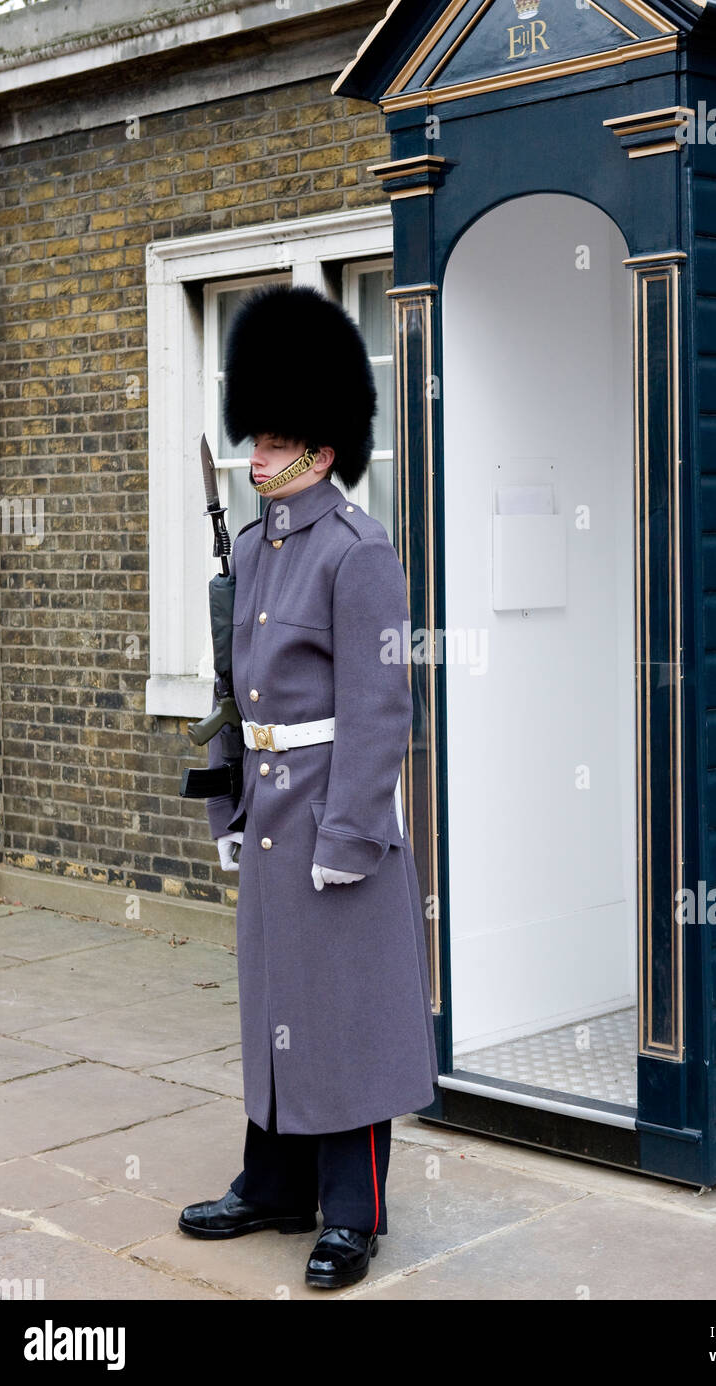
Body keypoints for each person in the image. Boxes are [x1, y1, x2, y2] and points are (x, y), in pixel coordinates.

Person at [178, 284, 438, 1290]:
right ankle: (271, 1183)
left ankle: (351, 1214)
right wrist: (226, 804)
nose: (254, 457)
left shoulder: (357, 551)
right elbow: (227, 693)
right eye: (254, 439)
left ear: (321, 452)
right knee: (277, 1003)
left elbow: (381, 709)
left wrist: (347, 834)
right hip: (272, 806)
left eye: (274, 443)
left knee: (348, 1015)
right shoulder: (250, 548)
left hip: (335, 810)